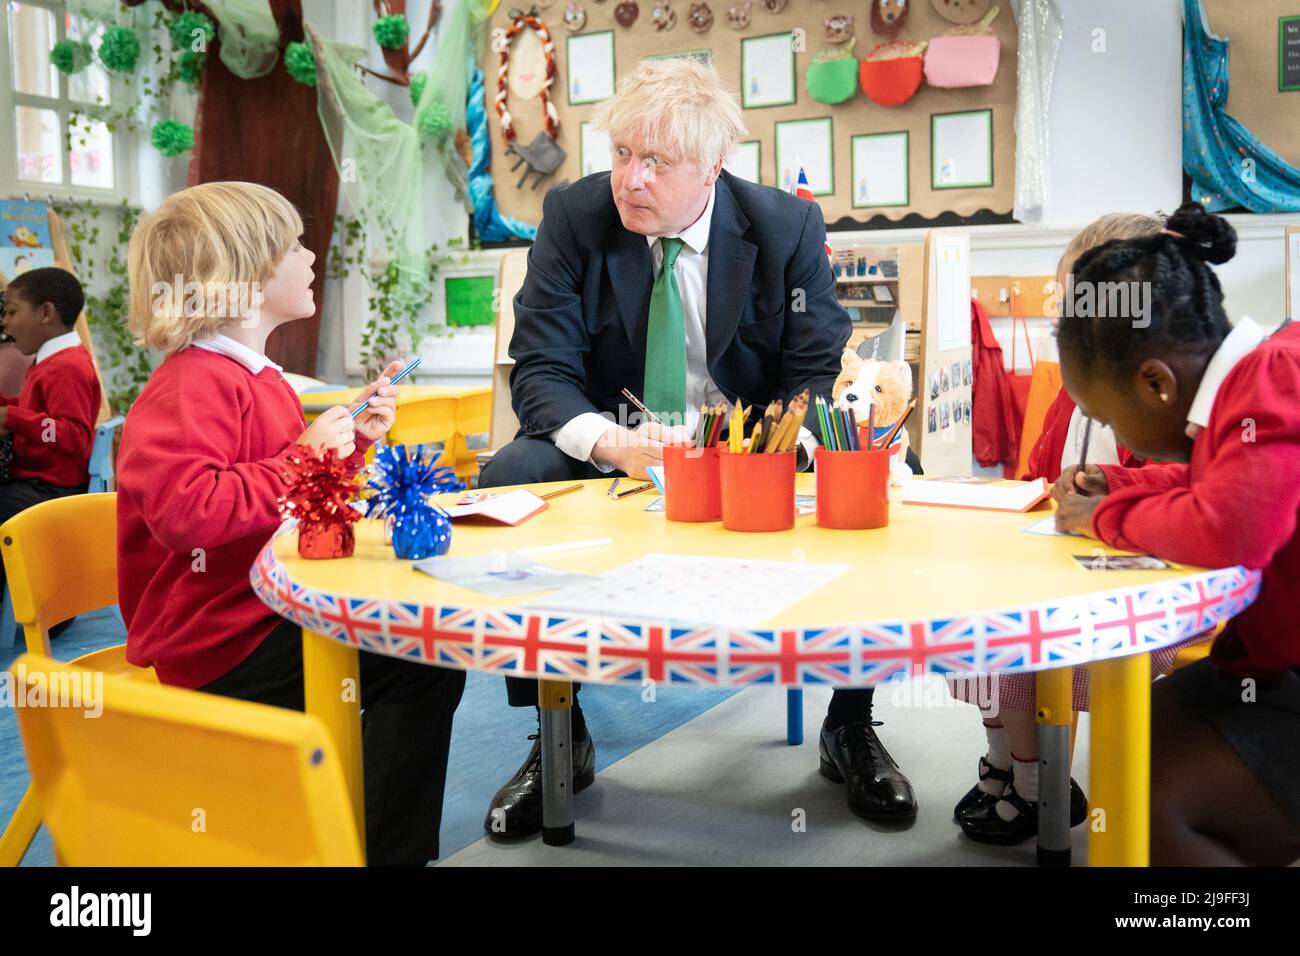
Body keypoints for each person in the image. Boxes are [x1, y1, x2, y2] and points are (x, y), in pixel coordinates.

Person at [479, 58, 917, 836]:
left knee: (884, 475)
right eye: (620, 154)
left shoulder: (784, 226)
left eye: (657, 162)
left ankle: (851, 722)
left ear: (712, 167)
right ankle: (558, 732)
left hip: (751, 447)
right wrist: (614, 444)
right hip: (619, 441)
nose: (630, 179)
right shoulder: (575, 217)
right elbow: (542, 370)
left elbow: (816, 368)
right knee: (512, 470)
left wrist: (755, 449)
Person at [117, 181, 466, 866]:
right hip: (219, 640)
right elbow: (189, 511)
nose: (311, 257)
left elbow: (286, 492)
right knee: (419, 662)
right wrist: (302, 457)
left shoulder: (262, 378)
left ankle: (363, 840)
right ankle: (377, 853)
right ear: (243, 276)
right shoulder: (191, 384)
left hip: (263, 610)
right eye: (295, 246)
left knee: (421, 656)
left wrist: (353, 443)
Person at [1054, 201, 1300, 866]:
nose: (1110, 431)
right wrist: (1123, 485)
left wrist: (1104, 517)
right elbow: (1216, 485)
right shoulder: (1244, 389)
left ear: (1156, 384)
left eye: (1103, 414)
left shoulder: (1274, 378)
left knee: (1158, 806)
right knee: (1130, 737)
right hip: (1268, 671)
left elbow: (1231, 526)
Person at [0, 267, 101, 610]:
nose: (6, 323)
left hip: (49, 489)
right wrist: (10, 407)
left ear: (46, 313)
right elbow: (41, 412)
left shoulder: (67, 367)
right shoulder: (54, 361)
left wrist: (12, 418)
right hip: (39, 484)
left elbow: (72, 434)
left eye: (12, 312)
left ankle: (36, 606)